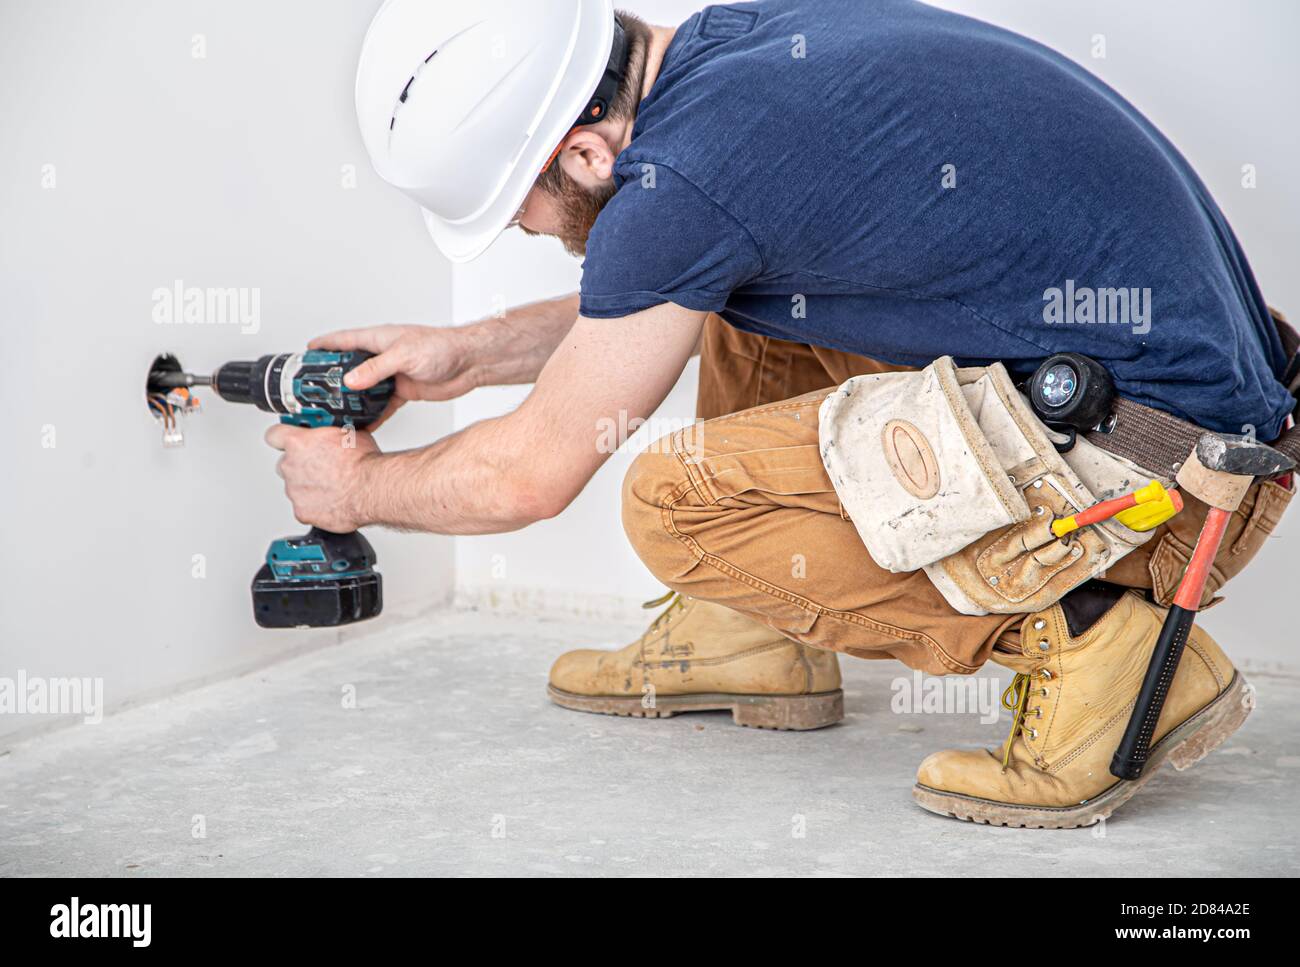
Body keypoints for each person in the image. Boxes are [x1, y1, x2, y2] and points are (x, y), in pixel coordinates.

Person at [266, 0, 1296, 827]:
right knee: (754, 305)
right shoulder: (733, 57)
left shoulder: (682, 182)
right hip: (1209, 428)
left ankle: (1096, 647)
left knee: (672, 502)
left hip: (1162, 484)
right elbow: (656, 288)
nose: (530, 232)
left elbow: (527, 475)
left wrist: (356, 487)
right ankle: (746, 634)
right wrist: (467, 351)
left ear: (583, 154)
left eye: (516, 209)